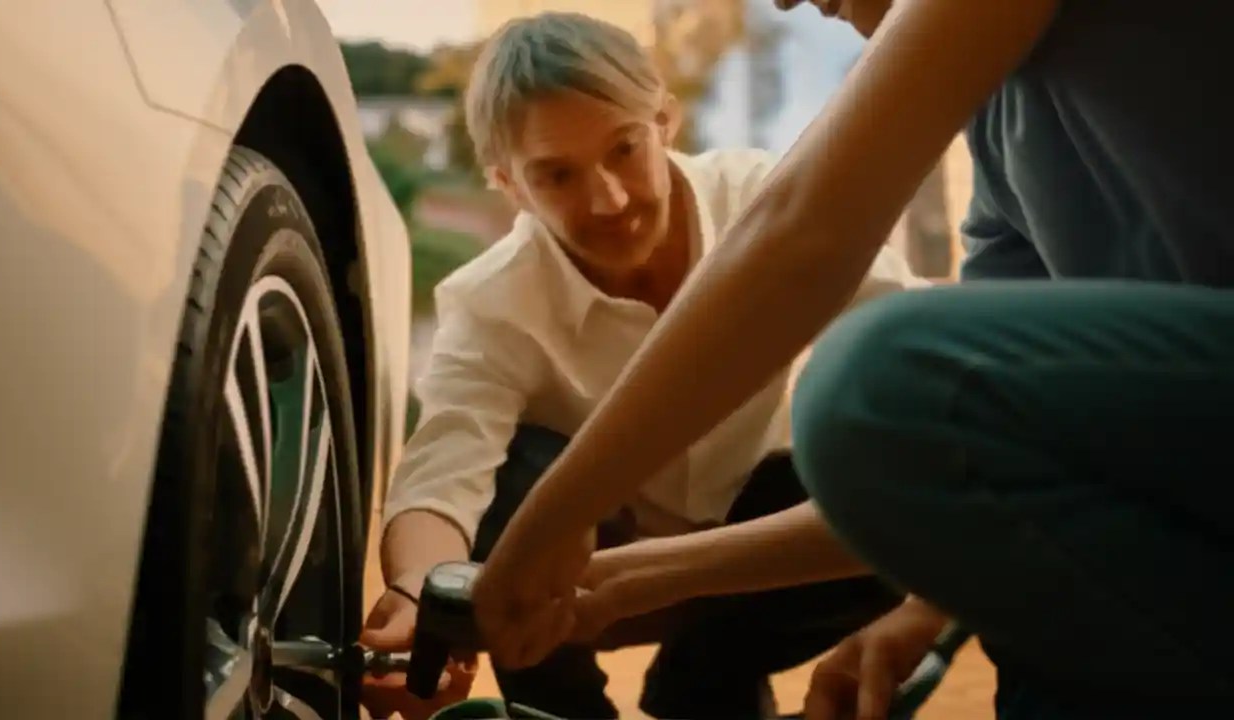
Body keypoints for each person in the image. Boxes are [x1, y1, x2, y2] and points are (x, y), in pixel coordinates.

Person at [469, 0, 1234, 719]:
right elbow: (945, 461)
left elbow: (806, 238)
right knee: (1017, 611)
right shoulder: (1004, 134)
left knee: (879, 382)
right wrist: (925, 610)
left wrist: (556, 519)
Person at [359, 10, 931, 720]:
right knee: (515, 483)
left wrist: (931, 609)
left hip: (758, 557)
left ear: (665, 122)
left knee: (865, 463)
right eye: (557, 175)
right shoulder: (492, 302)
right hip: (580, 581)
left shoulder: (770, 210)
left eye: (625, 149)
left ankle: (706, 681)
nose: (609, 200)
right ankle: (560, 712)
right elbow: (444, 471)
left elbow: (927, 364)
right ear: (509, 185)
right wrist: (420, 591)